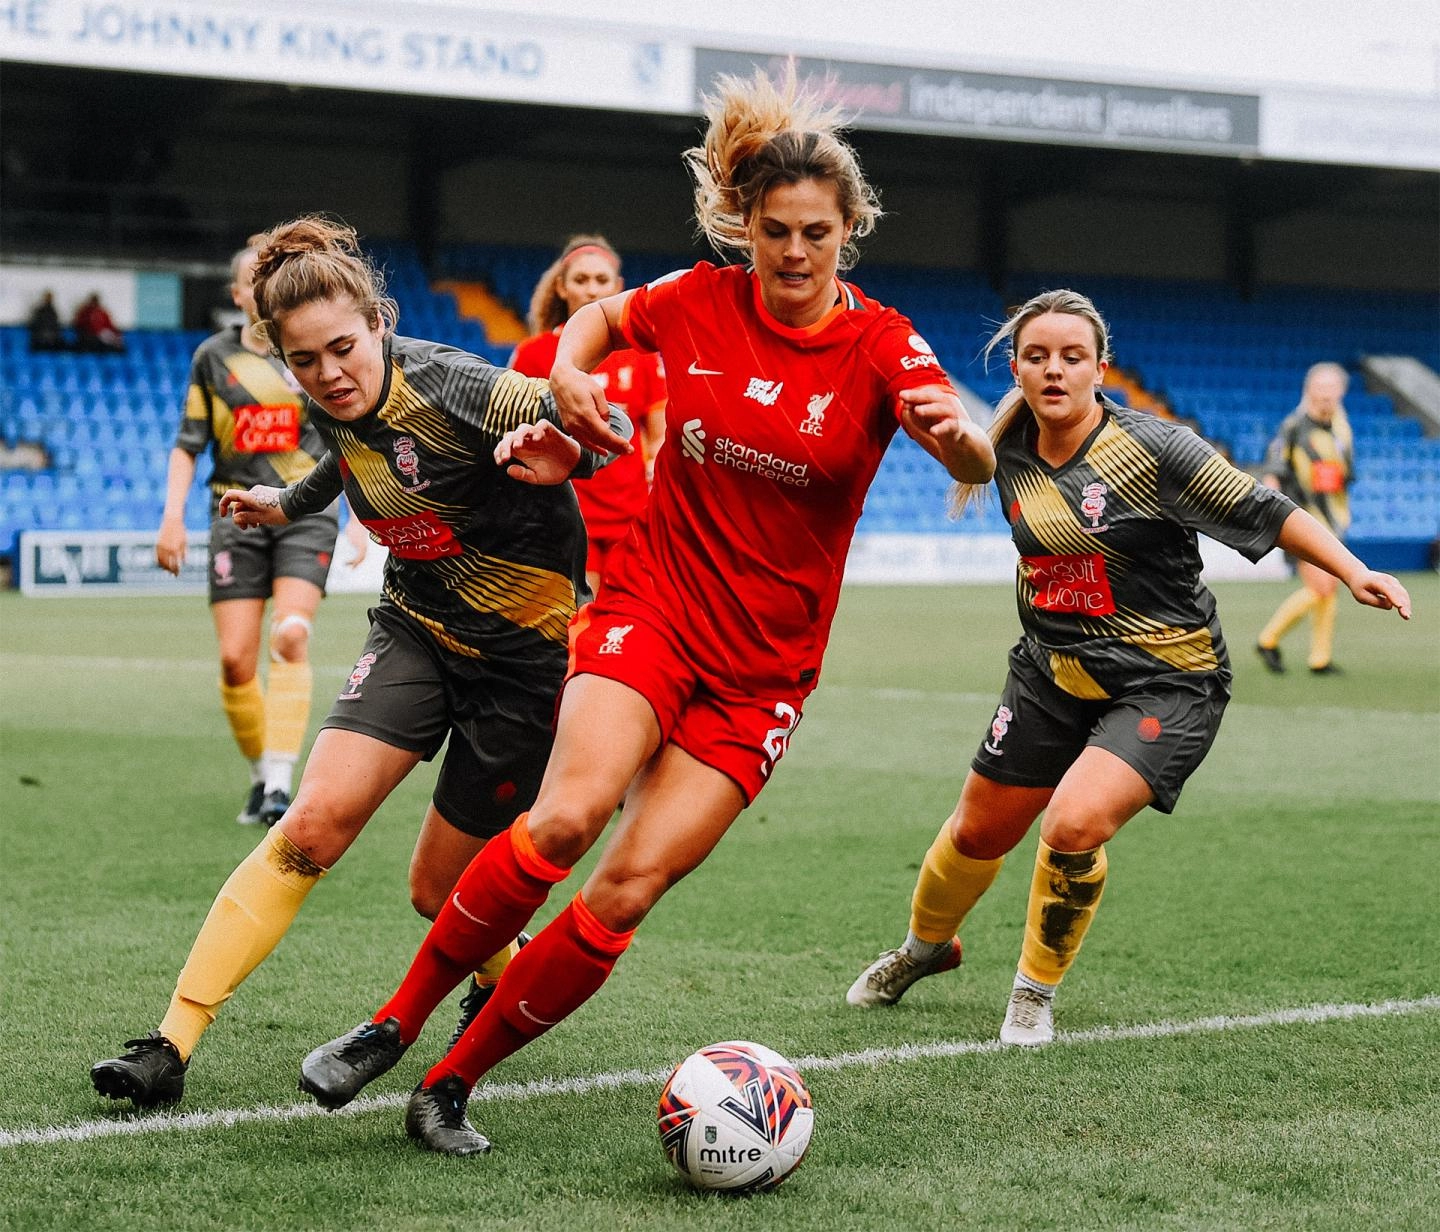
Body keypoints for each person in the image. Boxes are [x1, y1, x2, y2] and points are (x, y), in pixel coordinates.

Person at [295, 66, 996, 1157]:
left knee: (624, 888)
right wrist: (573, 378)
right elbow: (596, 325)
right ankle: (394, 1019)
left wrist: (958, 439)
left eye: (817, 232)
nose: (796, 253)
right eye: (776, 231)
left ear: (848, 228)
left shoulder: (883, 344)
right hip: (652, 610)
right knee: (566, 818)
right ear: (747, 226)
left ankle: (449, 1082)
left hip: (765, 672)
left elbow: (978, 446)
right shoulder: (698, 298)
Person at [90, 215, 629, 1110]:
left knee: (438, 890)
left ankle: (508, 980)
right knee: (310, 826)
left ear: (378, 322)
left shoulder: (460, 385)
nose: (327, 374)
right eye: (304, 361)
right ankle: (170, 1043)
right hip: (414, 631)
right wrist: (284, 500)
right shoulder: (324, 398)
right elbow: (350, 459)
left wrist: (570, 444)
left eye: (342, 348)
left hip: (520, 667)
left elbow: (595, 419)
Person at [845, 290, 1411, 1046]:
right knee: (977, 832)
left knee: (1073, 823)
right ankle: (922, 951)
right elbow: (934, 437)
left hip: (1167, 679)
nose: (1054, 371)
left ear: (1099, 369)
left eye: (1071, 357)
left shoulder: (1153, 450)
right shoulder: (1003, 447)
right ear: (1016, 368)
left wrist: (1352, 570)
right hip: (1051, 672)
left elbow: (1271, 510)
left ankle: (1031, 995)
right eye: (1037, 356)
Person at [154, 236, 341, 829]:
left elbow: (350, 437)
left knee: (290, 636)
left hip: (302, 511)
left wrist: (362, 516)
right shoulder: (212, 357)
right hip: (233, 512)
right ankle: (263, 775)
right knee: (237, 661)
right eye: (252, 283)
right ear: (238, 295)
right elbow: (189, 443)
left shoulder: (310, 353)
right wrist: (171, 518)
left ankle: (281, 787)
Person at [510, 235, 667, 596]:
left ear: (618, 287)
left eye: (602, 280)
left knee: (625, 629)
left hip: (631, 519)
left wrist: (655, 479)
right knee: (574, 627)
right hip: (563, 516)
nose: (592, 290)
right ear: (562, 288)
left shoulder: (642, 356)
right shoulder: (535, 355)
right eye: (581, 281)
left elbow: (659, 435)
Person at [1256, 362, 1356, 675]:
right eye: (1321, 388)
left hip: (1333, 519)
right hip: (1302, 519)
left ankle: (1320, 658)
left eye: (1332, 388)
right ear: (1309, 390)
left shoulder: (1341, 425)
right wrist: (1275, 514)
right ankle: (1268, 639)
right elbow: (1273, 470)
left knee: (1329, 588)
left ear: (1342, 392)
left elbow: (1346, 472)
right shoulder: (1294, 427)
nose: (1326, 395)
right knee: (1321, 587)